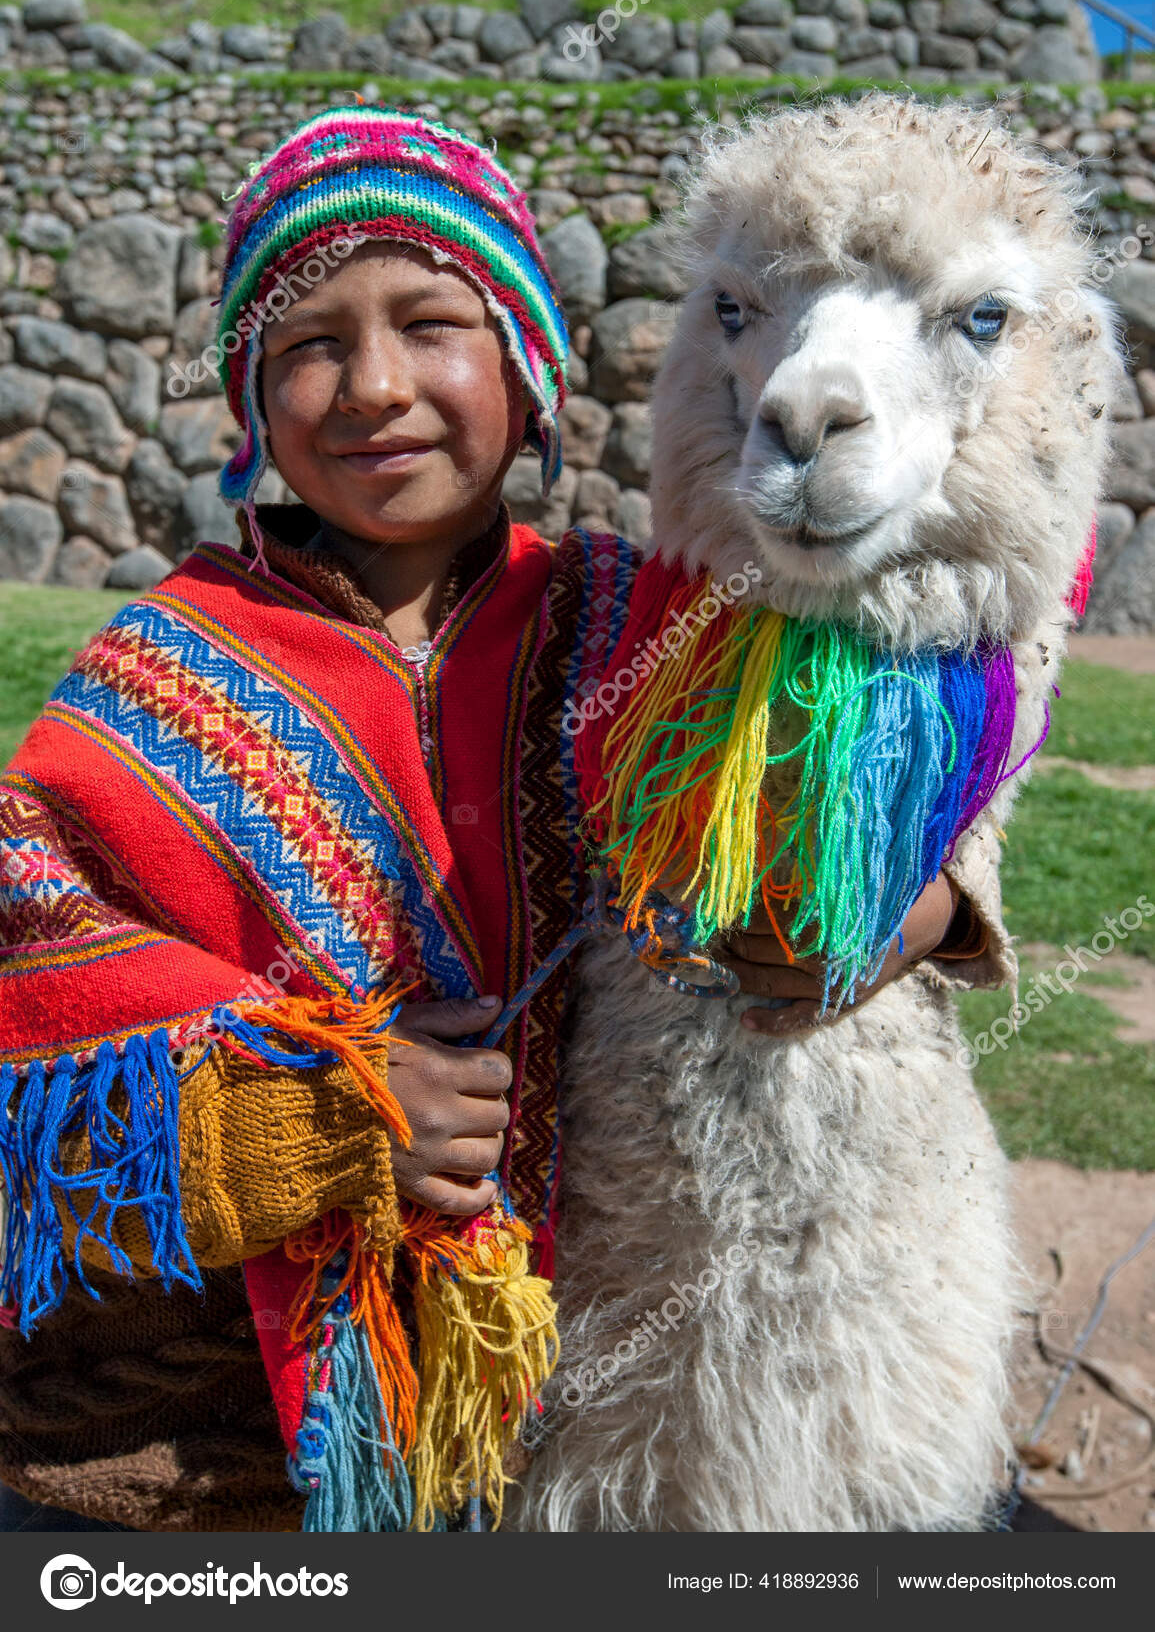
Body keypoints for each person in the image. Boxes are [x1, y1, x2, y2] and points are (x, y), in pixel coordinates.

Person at [0, 104, 1007, 1534]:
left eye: (433, 324)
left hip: (584, 1401)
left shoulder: (649, 628)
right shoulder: (155, 680)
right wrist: (319, 1105)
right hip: (209, 1435)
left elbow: (897, 725)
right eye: (307, 344)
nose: (373, 385)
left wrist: (926, 905)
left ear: (529, 370)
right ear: (248, 397)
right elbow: (33, 972)